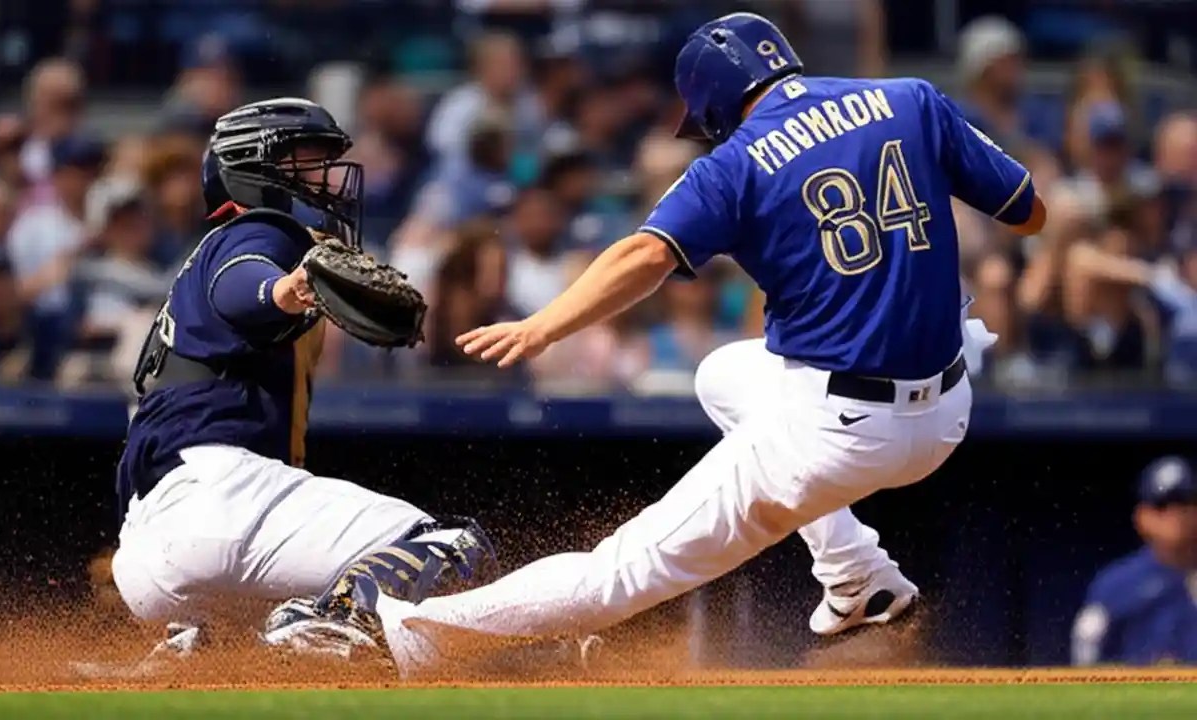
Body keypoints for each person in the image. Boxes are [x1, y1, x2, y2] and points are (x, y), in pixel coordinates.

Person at [323, 12, 1046, 676]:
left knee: (620, 574)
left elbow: (644, 257)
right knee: (726, 373)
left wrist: (545, 324)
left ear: (715, 104)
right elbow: (1029, 214)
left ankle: (417, 633)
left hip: (835, 433)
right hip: (948, 407)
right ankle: (856, 571)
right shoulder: (911, 99)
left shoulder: (738, 162)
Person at [112, 98, 494, 662]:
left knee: (261, 629)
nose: (327, 178)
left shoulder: (194, 271)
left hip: (155, 542)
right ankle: (328, 622)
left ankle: (202, 642)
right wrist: (282, 292)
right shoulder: (260, 232)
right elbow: (240, 285)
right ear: (254, 169)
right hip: (223, 499)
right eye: (307, 161)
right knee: (450, 544)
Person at [1072, 456, 1197, 666]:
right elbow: (1086, 654)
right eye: (1162, 505)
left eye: (1186, 502)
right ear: (1141, 516)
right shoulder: (1115, 583)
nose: (1176, 515)